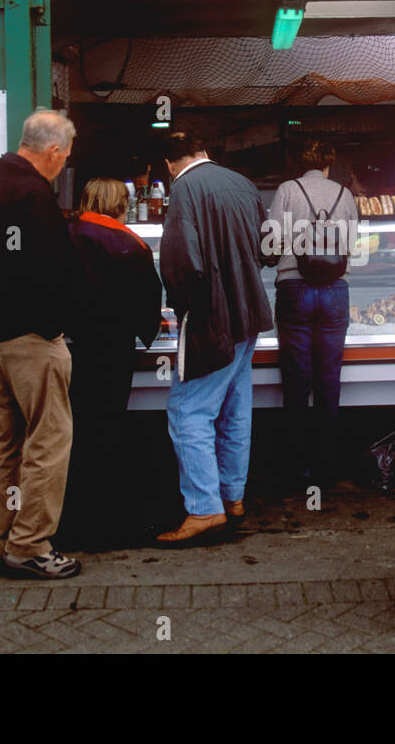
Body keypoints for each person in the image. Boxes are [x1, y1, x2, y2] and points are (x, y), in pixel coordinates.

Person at [0, 109, 81, 579]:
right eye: (64, 157)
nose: (64, 164)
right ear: (51, 152)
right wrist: (57, 326)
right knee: (50, 438)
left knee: (4, 440)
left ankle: (1, 541)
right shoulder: (33, 194)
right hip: (30, 337)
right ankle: (29, 546)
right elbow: (52, 271)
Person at [157, 132, 273, 544]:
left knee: (189, 411)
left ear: (170, 164)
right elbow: (271, 249)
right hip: (250, 314)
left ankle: (204, 509)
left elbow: (179, 262)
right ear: (205, 152)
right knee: (235, 409)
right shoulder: (242, 182)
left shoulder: (184, 188)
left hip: (211, 317)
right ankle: (233, 499)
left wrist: (181, 307)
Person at [63, 177, 163, 545]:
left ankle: (70, 513)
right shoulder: (131, 243)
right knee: (108, 423)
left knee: (71, 425)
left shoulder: (65, 234)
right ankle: (104, 517)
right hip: (114, 347)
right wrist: (148, 331)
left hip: (70, 345)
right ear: (122, 204)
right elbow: (149, 299)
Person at [264, 137, 358, 490]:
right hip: (335, 290)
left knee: (297, 382)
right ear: (329, 164)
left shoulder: (288, 189)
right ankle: (328, 469)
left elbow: (270, 244)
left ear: (296, 162)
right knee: (329, 381)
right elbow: (352, 243)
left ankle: (298, 470)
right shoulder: (343, 193)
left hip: (294, 288)